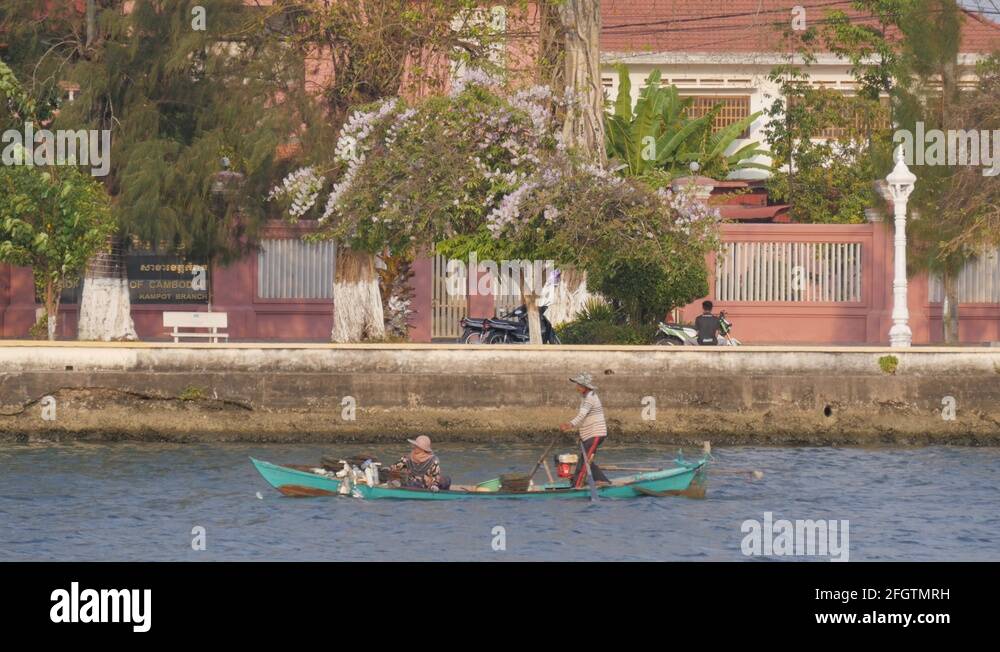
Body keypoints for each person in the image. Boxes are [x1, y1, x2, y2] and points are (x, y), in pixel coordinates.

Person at [559, 372, 610, 488]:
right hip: (590, 435)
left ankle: (577, 485)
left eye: (578, 385)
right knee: (586, 459)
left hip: (596, 434)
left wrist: (569, 425)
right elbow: (585, 418)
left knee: (585, 462)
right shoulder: (586, 397)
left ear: (584, 386)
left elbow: (582, 415)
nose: (576, 387)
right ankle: (603, 481)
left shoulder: (590, 398)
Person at [386, 436, 450, 491]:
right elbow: (395, 467)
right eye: (415, 445)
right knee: (411, 483)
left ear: (423, 449)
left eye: (417, 446)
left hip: (427, 485)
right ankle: (397, 484)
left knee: (447, 479)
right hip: (412, 482)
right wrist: (388, 469)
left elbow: (435, 475)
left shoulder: (433, 460)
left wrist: (434, 485)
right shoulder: (408, 458)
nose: (414, 447)